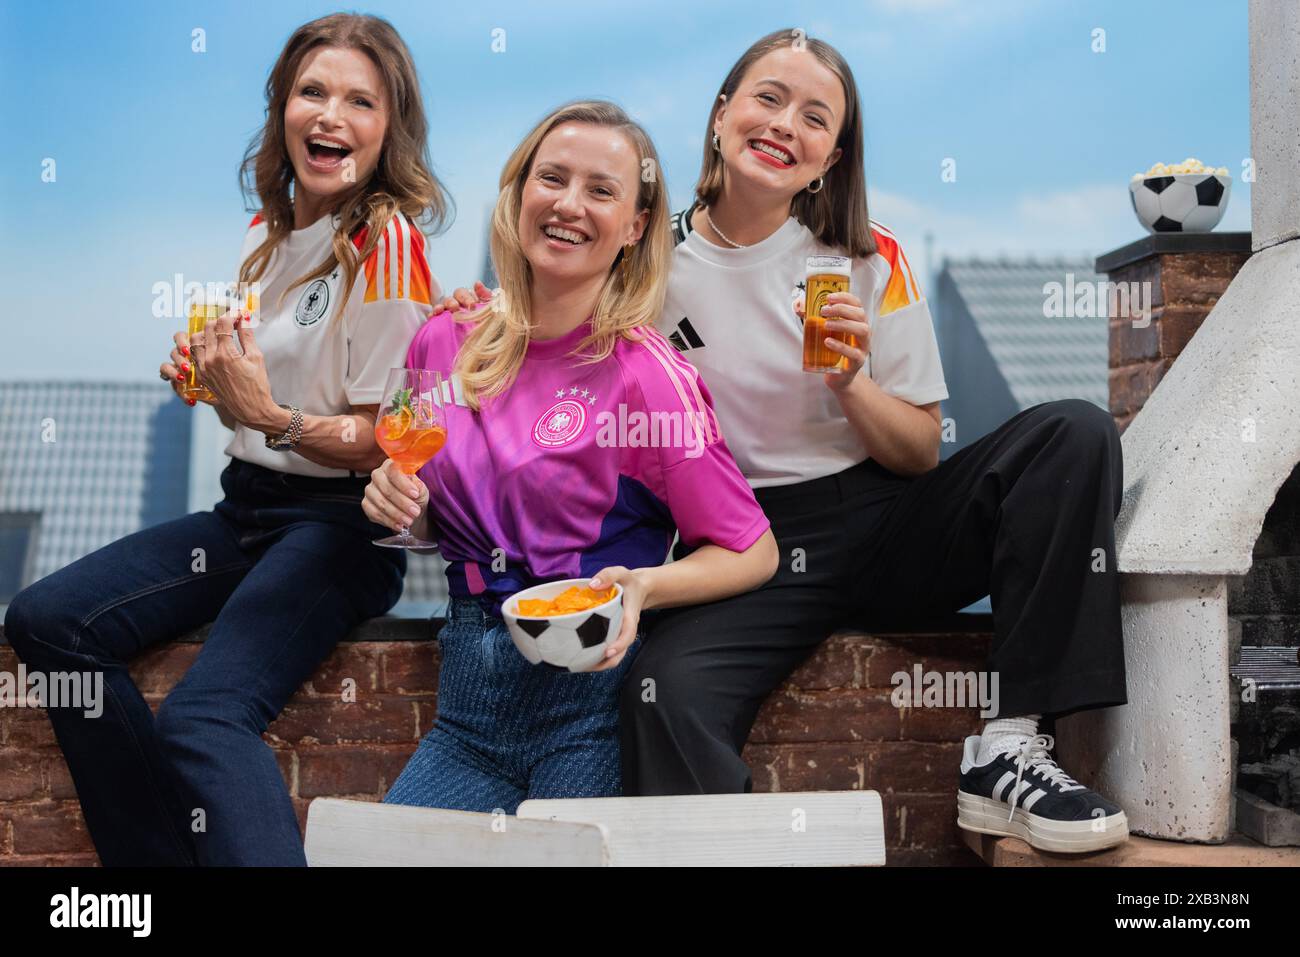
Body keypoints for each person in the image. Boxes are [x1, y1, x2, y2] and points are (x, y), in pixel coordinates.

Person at [441, 30, 1129, 854]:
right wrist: (477, 311)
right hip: (743, 545)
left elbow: (919, 452)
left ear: (832, 156)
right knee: (662, 693)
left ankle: (1012, 748)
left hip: (884, 519)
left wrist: (850, 384)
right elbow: (549, 332)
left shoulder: (868, 258)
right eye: (768, 97)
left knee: (1074, 433)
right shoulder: (649, 266)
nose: (784, 124)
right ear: (722, 113)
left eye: (815, 116)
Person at [3, 13, 449, 866]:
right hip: (246, 511)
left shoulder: (386, 242)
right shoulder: (265, 234)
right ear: (282, 106)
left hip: (339, 528)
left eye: (361, 101)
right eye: (312, 91)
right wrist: (212, 382)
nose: (331, 116)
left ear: (390, 129)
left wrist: (267, 413)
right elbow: (256, 396)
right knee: (48, 619)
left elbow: (385, 439)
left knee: (205, 717)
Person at [364, 100, 777, 813]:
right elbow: (437, 513)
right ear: (520, 190)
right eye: (551, 177)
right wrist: (400, 503)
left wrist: (645, 587)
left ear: (636, 226)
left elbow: (755, 551)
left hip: (591, 716)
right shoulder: (439, 341)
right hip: (464, 714)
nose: (569, 204)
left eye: (602, 190)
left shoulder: (649, 377)